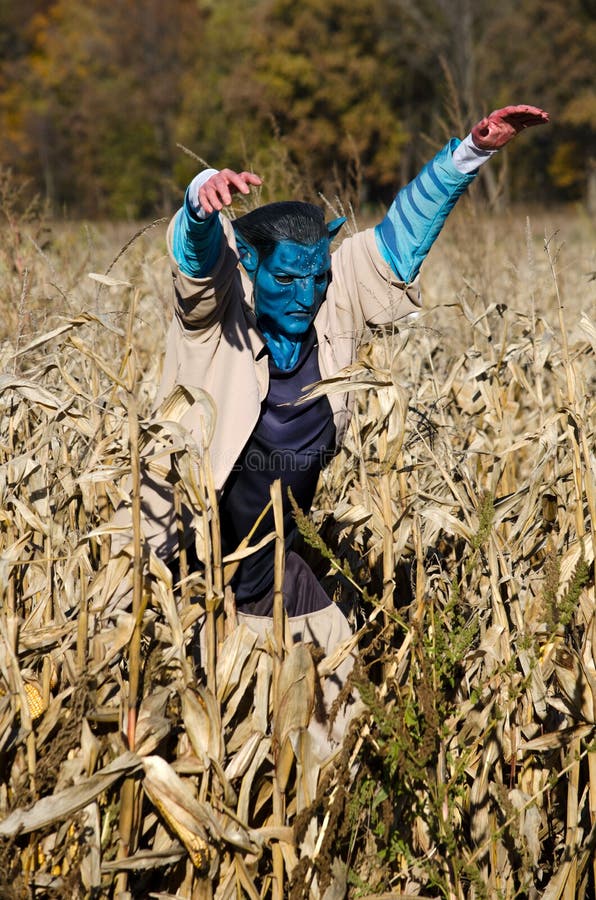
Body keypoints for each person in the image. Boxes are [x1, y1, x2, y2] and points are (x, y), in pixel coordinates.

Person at [110, 105, 548, 754]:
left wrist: (470, 154)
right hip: (179, 571)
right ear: (251, 266)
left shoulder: (332, 291)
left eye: (315, 278)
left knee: (333, 713)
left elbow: (397, 241)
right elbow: (194, 262)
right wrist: (200, 210)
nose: (306, 294)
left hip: (276, 565)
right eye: (287, 278)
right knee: (183, 744)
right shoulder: (220, 307)